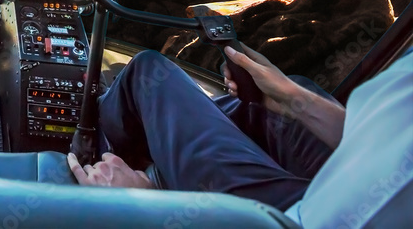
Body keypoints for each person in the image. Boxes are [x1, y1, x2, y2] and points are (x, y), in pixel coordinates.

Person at [67, 43, 413, 227]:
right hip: (351, 180)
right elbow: (384, 135)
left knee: (147, 71)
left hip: (295, 217)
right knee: (279, 102)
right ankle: (171, 160)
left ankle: (102, 156)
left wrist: (143, 207)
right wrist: (292, 99)